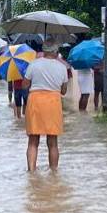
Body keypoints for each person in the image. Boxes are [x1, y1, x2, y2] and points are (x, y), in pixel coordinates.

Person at [24, 41, 68, 171]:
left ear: (43, 50)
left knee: (33, 140)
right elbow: (64, 91)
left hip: (35, 101)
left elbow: (25, 85)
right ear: (55, 51)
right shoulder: (62, 67)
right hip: (53, 103)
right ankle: (54, 172)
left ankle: (31, 171)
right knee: (53, 142)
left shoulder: (34, 64)